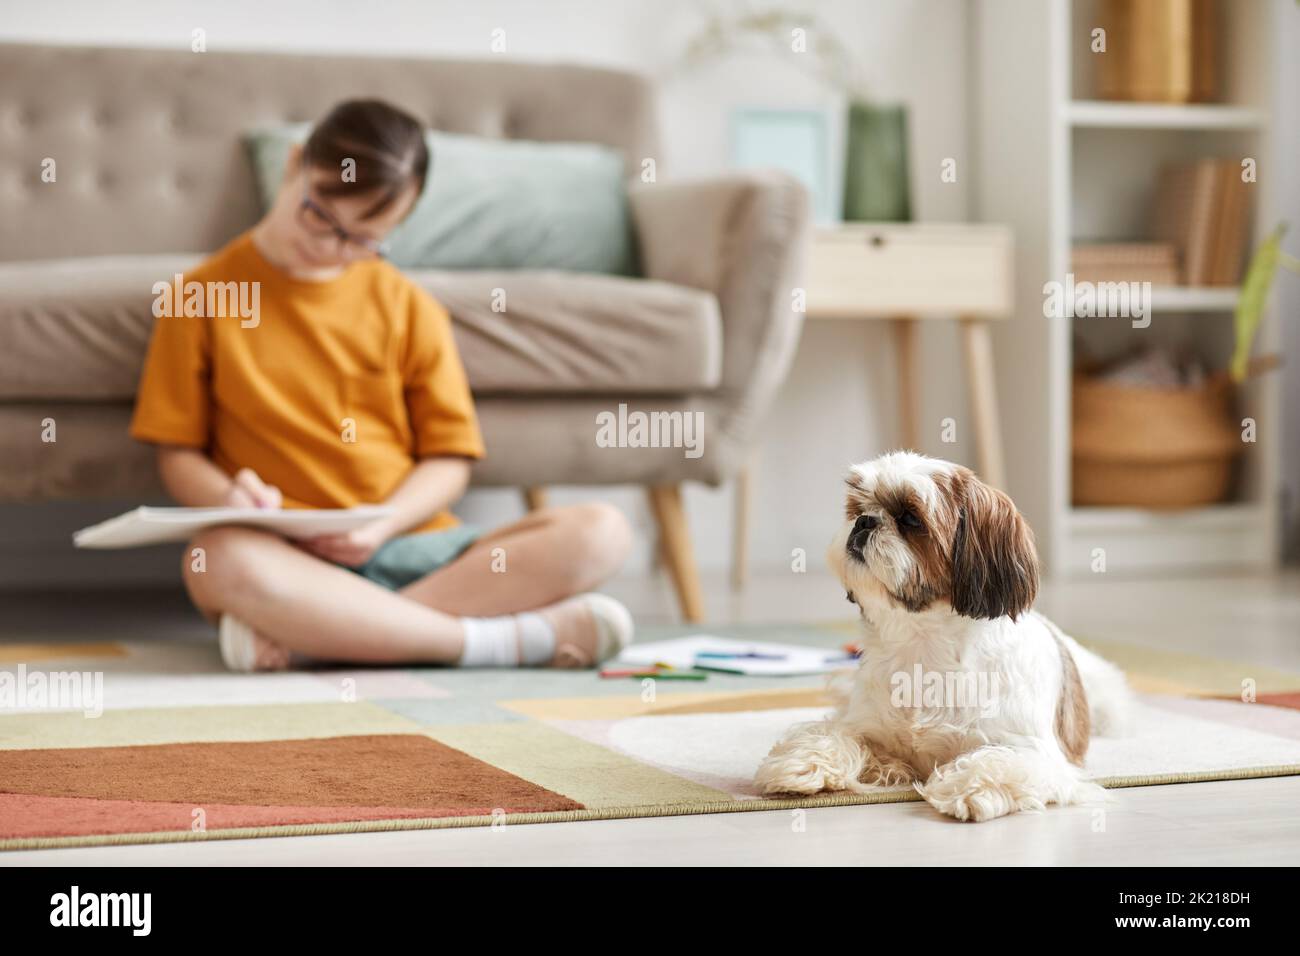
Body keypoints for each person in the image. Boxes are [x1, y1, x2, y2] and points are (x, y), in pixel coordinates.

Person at [130, 99, 634, 672]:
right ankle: (497, 642)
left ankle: (316, 642)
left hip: (415, 547)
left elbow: (448, 460)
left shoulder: (407, 305)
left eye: (360, 239)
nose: (329, 247)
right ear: (294, 166)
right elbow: (177, 453)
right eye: (319, 215)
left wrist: (384, 521)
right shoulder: (200, 296)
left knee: (602, 532)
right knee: (213, 557)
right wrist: (229, 500)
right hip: (284, 560)